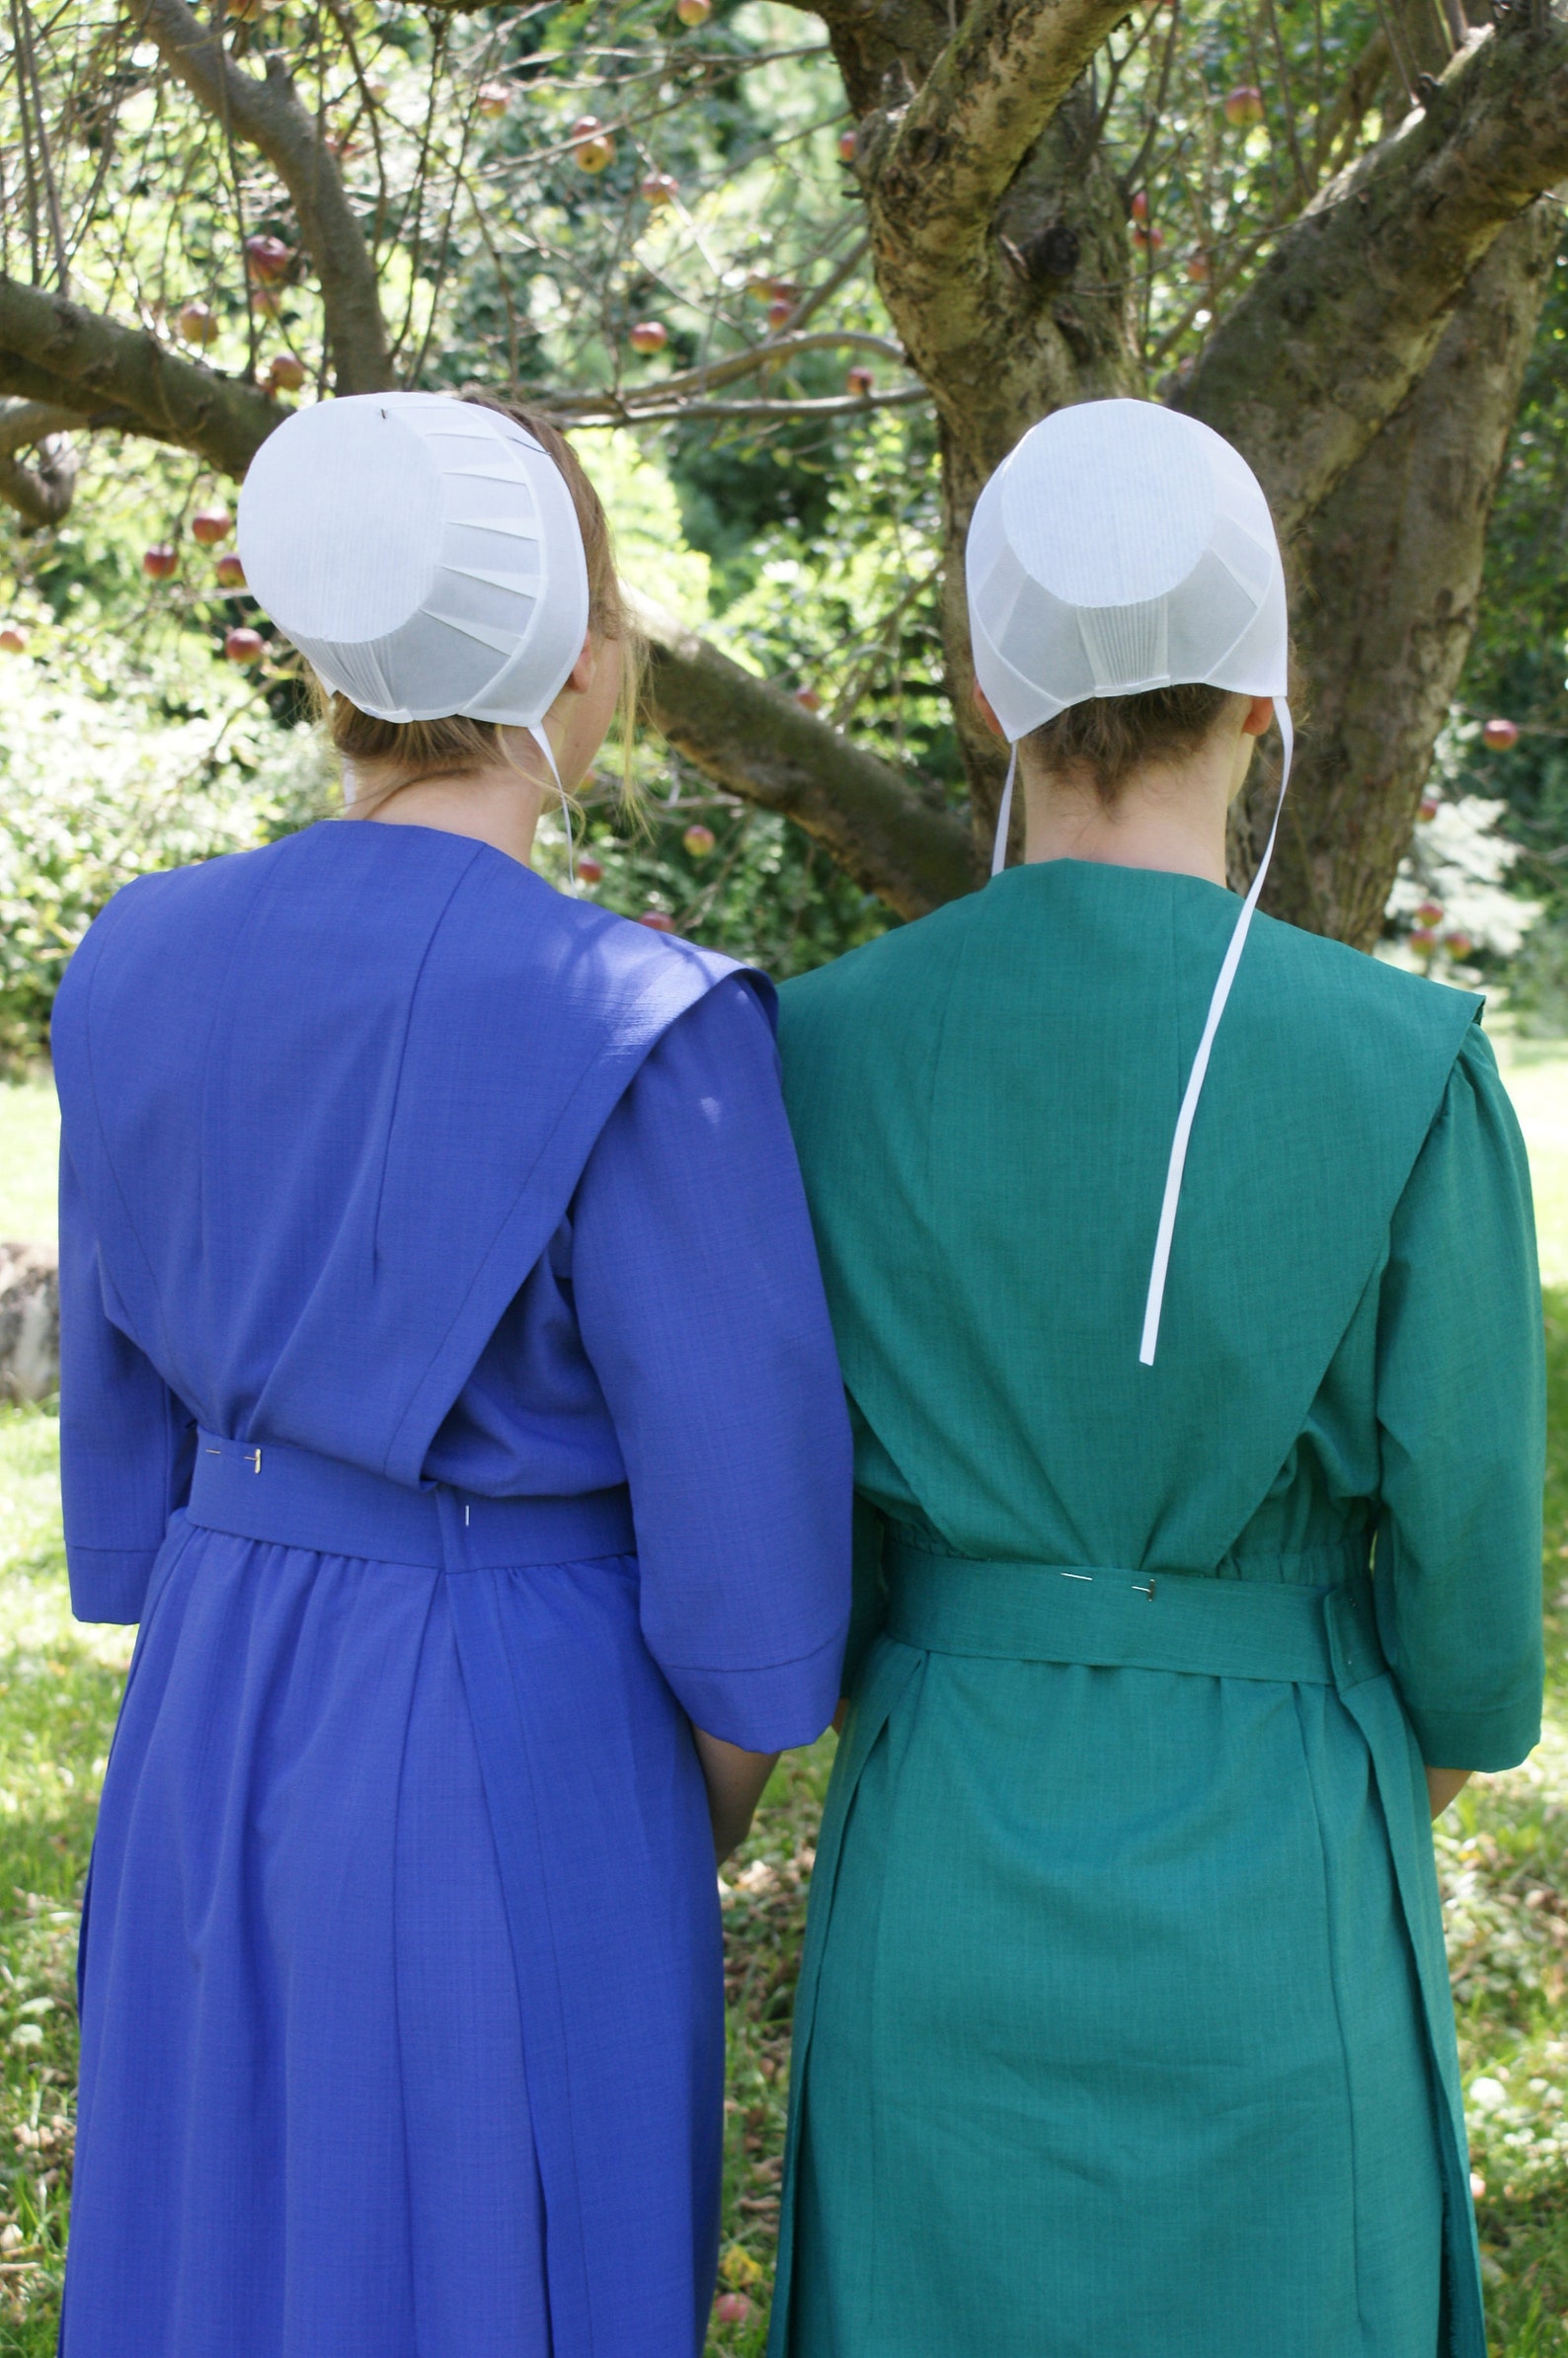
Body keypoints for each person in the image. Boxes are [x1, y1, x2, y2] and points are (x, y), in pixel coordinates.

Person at [53, 391, 851, 2358]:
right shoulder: (645, 1023)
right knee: (511, 2264)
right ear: (583, 654)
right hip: (529, 1721)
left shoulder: (131, 959)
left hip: (217, 1699)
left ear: (331, 666)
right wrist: (669, 1805)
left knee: (225, 2248)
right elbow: (753, 1591)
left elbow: (123, 1479)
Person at [767, 399, 1543, 2358]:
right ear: (1266, 697)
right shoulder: (1401, 1063)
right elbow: (1460, 1639)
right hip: (1274, 1863)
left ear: (977, 685)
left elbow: (788, 1542)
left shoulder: (809, 1053)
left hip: (945, 1825)